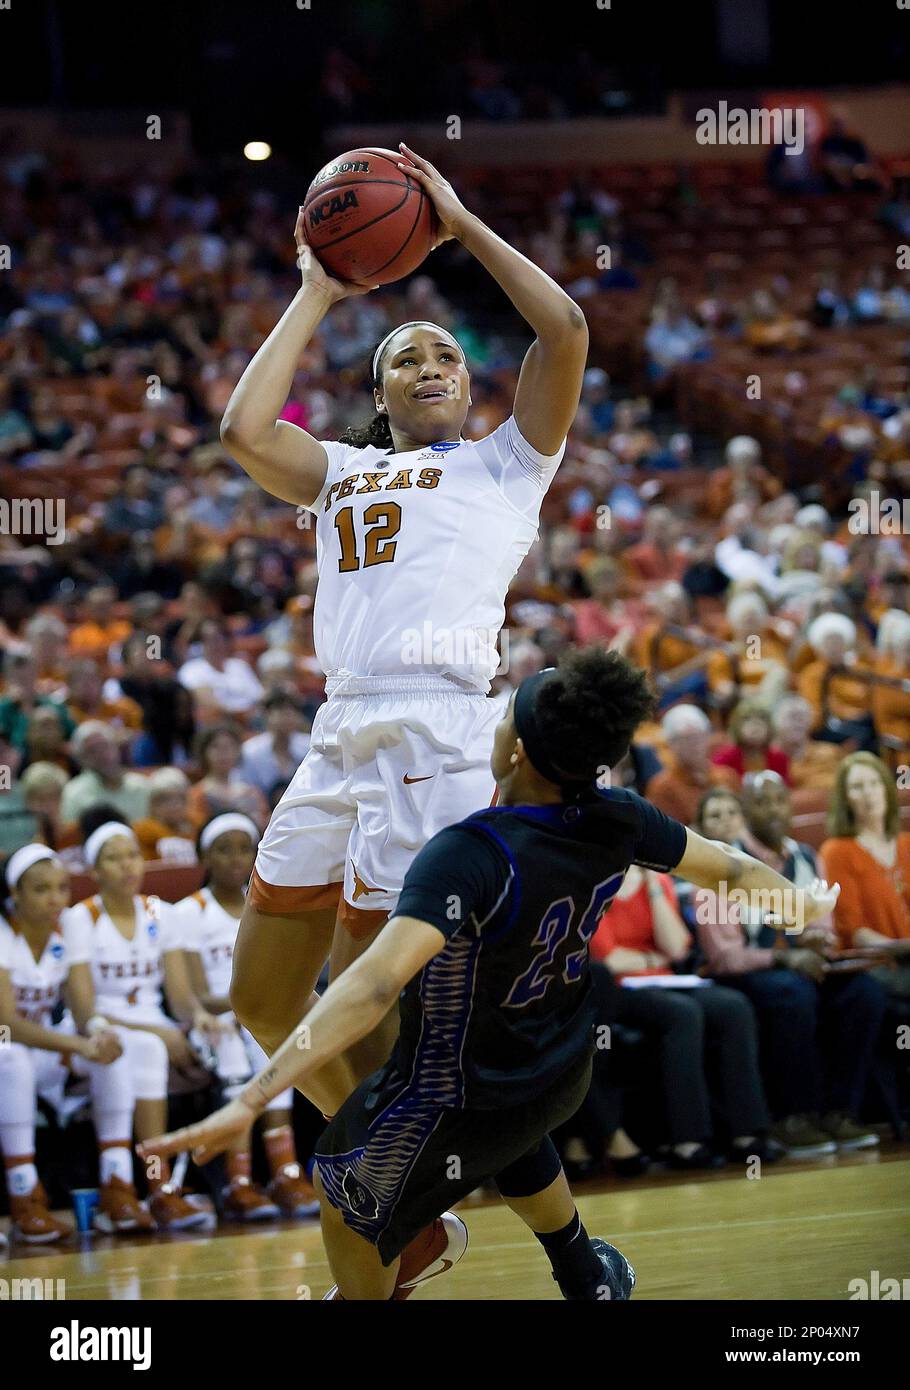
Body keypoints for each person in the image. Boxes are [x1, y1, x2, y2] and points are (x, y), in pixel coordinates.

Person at [141, 648, 838, 1302]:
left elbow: (373, 986)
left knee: (342, 1189)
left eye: (502, 717)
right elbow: (733, 867)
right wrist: (803, 905)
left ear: (512, 750)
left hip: (456, 1088)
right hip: (559, 1068)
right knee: (509, 1123)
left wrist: (251, 1099)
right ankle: (584, 1276)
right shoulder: (620, 818)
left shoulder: (468, 854)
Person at [218, 143, 590, 1111]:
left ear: (468, 389)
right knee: (258, 997)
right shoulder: (342, 468)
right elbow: (242, 433)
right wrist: (316, 292)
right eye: (404, 358)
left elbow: (563, 326)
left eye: (446, 356)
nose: (429, 364)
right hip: (339, 727)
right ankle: (383, 1167)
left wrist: (459, 225)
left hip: (438, 731)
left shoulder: (506, 464)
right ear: (377, 398)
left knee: (369, 995)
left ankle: (390, 1183)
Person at [697, 772, 883, 1155]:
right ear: (744, 810)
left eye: (780, 800)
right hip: (745, 975)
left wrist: (817, 939)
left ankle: (840, 1112)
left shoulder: (804, 856)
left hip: (796, 968)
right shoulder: (721, 862)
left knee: (863, 993)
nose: (774, 810)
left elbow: (821, 924)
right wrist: (785, 955)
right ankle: (792, 1117)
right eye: (762, 802)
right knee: (792, 995)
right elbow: (724, 956)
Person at [62, 821, 223, 1230]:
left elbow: (181, 997)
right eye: (113, 858)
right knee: (143, 1049)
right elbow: (83, 1011)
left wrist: (200, 1019)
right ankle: (155, 1186)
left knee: (228, 1046)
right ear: (94, 871)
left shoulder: (161, 913)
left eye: (132, 854)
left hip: (156, 1025)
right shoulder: (79, 918)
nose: (127, 865)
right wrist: (159, 1033)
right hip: (95, 1029)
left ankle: (242, 1180)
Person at [0, 844, 152, 1241]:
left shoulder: (68, 927)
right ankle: (24, 1199)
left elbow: (83, 1009)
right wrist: (78, 1047)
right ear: (14, 893)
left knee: (111, 1052)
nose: (55, 898)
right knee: (10, 1054)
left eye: (62, 888)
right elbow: (6, 1023)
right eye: (41, 889)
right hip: (9, 1050)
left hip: (42, 1054)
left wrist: (98, 1031)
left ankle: (117, 1186)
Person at [173, 814, 318, 1221]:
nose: (236, 859)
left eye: (244, 848)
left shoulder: (263, 906)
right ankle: (237, 1181)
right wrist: (243, 1009)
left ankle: (284, 1172)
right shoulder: (189, 910)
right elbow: (197, 995)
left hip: (254, 1018)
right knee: (238, 1053)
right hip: (212, 1021)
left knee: (276, 1051)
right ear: (205, 856)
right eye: (224, 849)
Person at [589, 863, 778, 1169]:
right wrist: (652, 957)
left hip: (664, 981)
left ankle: (747, 1135)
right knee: (683, 1014)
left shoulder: (658, 880)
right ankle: (688, 1141)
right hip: (616, 991)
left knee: (734, 1007)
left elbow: (676, 948)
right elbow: (607, 959)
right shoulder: (594, 883)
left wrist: (651, 885)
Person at [821, 753, 910, 996]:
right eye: (857, 787)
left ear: (886, 788)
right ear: (845, 799)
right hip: (875, 962)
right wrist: (901, 948)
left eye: (874, 783)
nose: (868, 792)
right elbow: (854, 931)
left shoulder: (906, 843)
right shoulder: (837, 851)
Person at [644, 704, 740, 825]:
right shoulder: (662, 787)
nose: (694, 744)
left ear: (707, 737)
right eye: (685, 739)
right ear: (671, 744)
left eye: (698, 736)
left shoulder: (727, 776)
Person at [60, 720, 150, 823]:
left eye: (104, 746)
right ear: (82, 760)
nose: (102, 754)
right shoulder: (74, 793)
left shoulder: (141, 786)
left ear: (116, 747)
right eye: (92, 751)